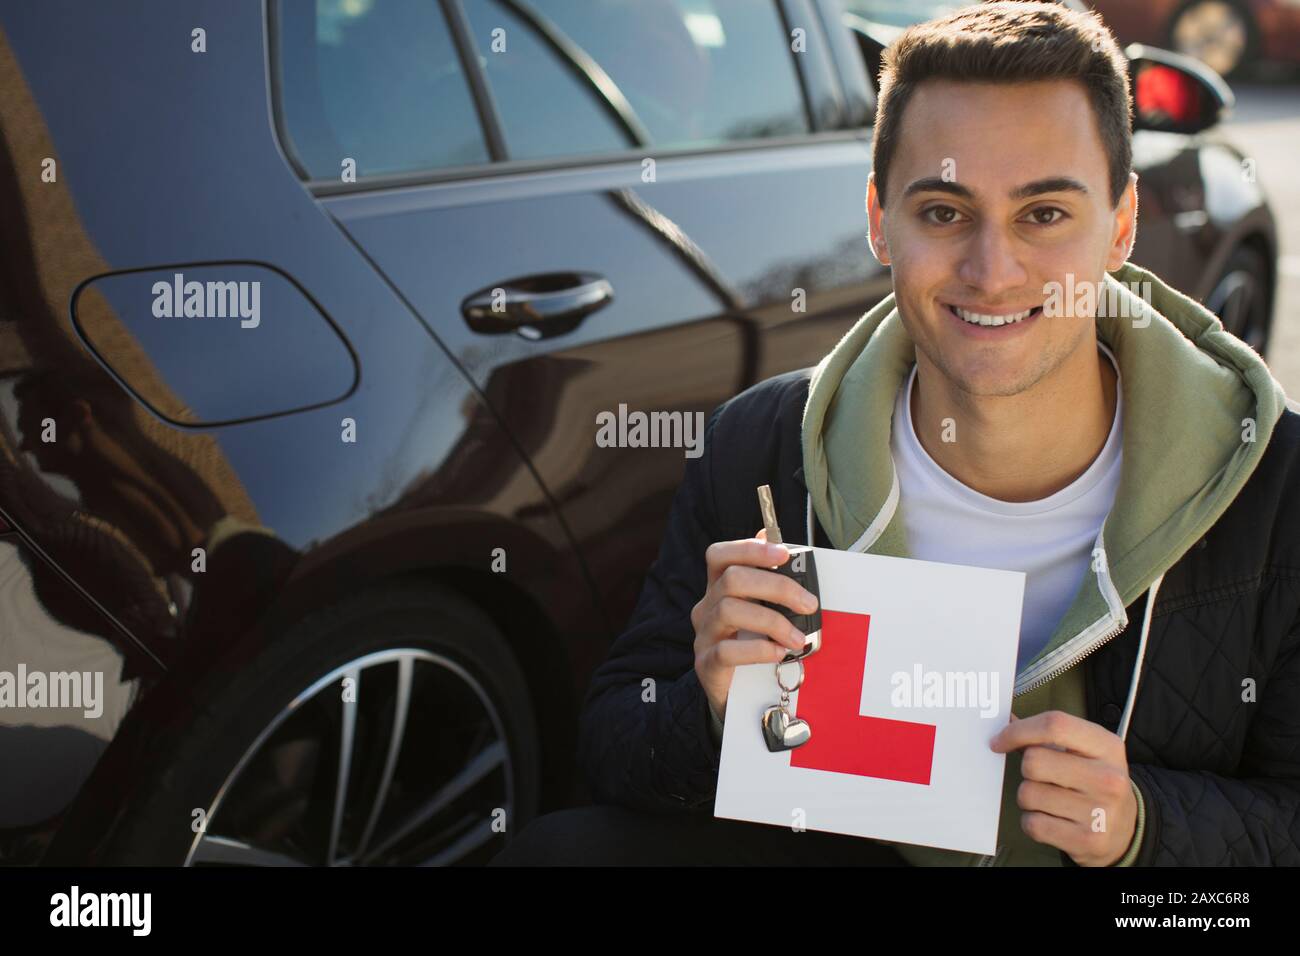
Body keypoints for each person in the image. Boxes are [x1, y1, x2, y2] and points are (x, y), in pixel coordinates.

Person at [492, 0, 1300, 866]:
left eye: (1045, 214)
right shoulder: (764, 446)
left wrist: (1147, 825)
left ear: (1124, 225)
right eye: (945, 212)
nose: (992, 272)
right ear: (880, 219)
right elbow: (617, 746)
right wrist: (715, 708)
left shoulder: (1275, 485)